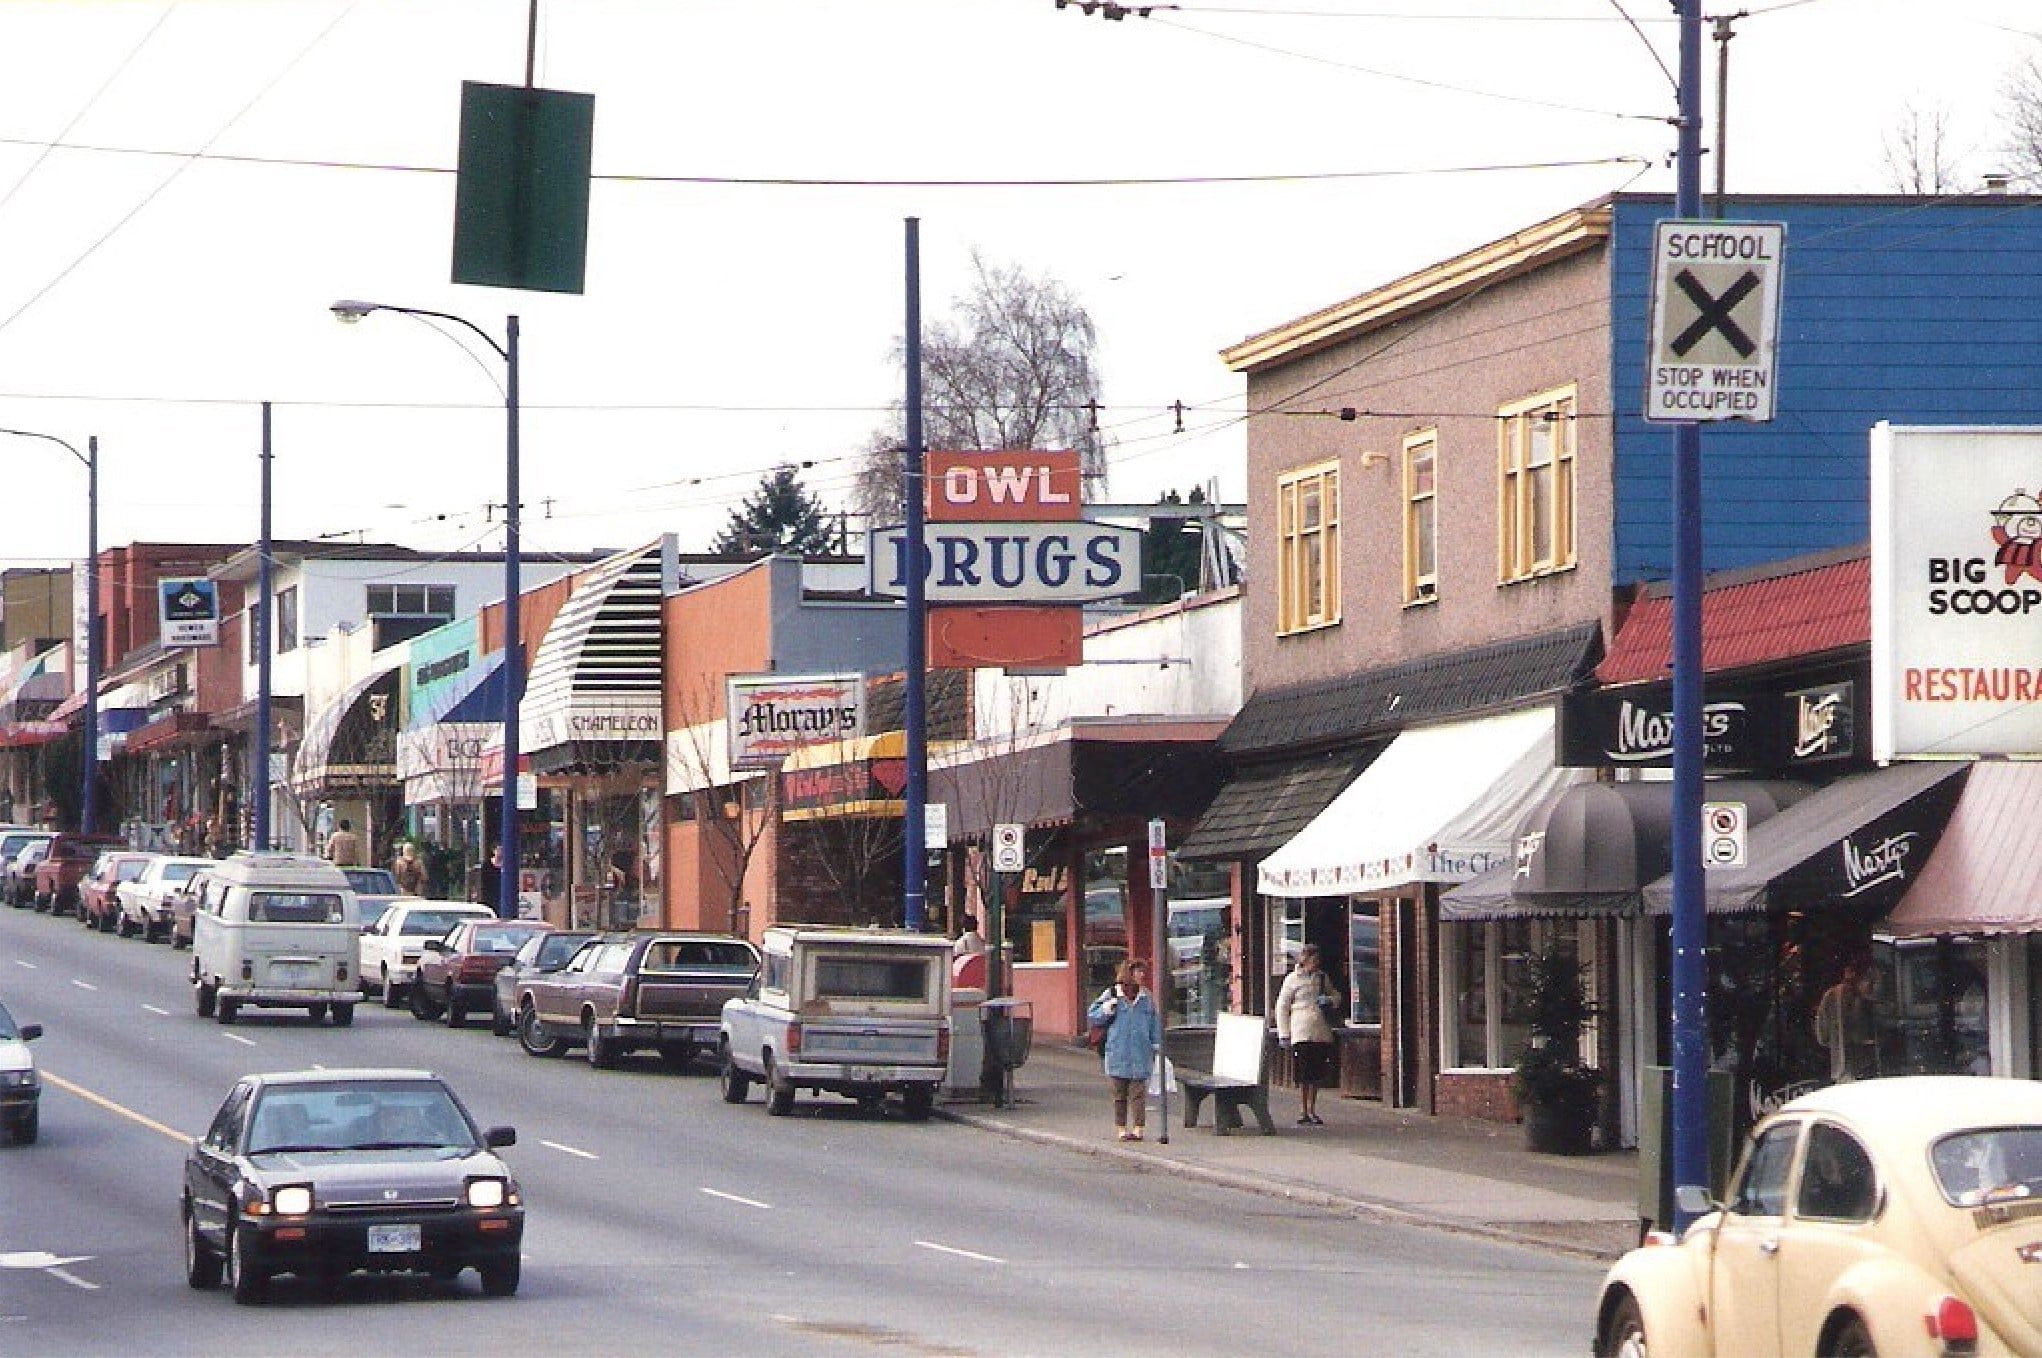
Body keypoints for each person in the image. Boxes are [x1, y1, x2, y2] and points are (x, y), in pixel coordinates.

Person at [1085, 958, 1163, 1143]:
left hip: (1140, 1053)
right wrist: (1106, 1010)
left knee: (1138, 1094)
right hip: (1117, 1052)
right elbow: (1093, 1015)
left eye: (1143, 972)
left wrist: (1156, 1044)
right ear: (1129, 973)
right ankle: (1121, 1128)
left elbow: (1154, 1023)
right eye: (1138, 972)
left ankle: (1138, 1129)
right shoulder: (1113, 993)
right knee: (1119, 1094)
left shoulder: (1146, 997)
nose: (1142, 975)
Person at [1274, 944, 1342, 1125]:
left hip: (1320, 1031)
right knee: (1303, 1074)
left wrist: (1330, 1000)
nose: (1316, 963)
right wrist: (1284, 1033)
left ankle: (1312, 1109)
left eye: (1318, 960)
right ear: (1305, 959)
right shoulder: (1292, 979)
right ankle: (1303, 1109)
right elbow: (1282, 1006)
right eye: (1313, 959)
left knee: (1316, 1073)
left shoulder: (1322, 978)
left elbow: (1336, 995)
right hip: (1301, 1031)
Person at [1814, 960, 1878, 1083]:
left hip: (1846, 1066)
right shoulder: (1864, 1000)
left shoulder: (1831, 996)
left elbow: (1822, 1034)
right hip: (1860, 1065)